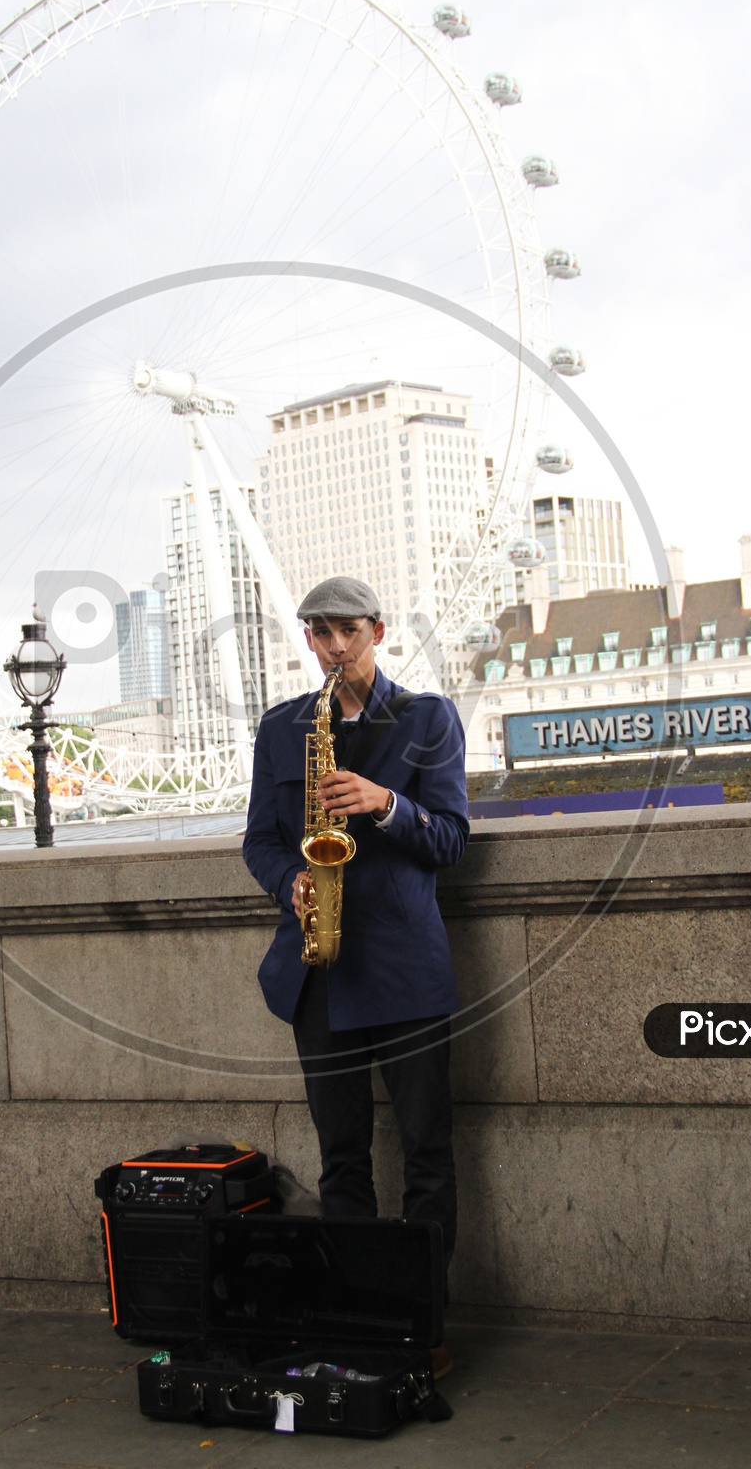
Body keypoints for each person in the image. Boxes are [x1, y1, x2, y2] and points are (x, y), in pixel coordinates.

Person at [242, 576, 470, 1370]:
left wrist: (382, 802)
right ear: (308, 640)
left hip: (403, 968)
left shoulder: (426, 719)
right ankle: (355, 1319)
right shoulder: (283, 728)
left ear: (379, 630)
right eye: (321, 634)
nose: (336, 647)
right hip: (321, 968)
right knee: (340, 1154)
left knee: (424, 1150)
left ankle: (422, 1324)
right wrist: (288, 882)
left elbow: (449, 840)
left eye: (349, 631)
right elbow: (259, 842)